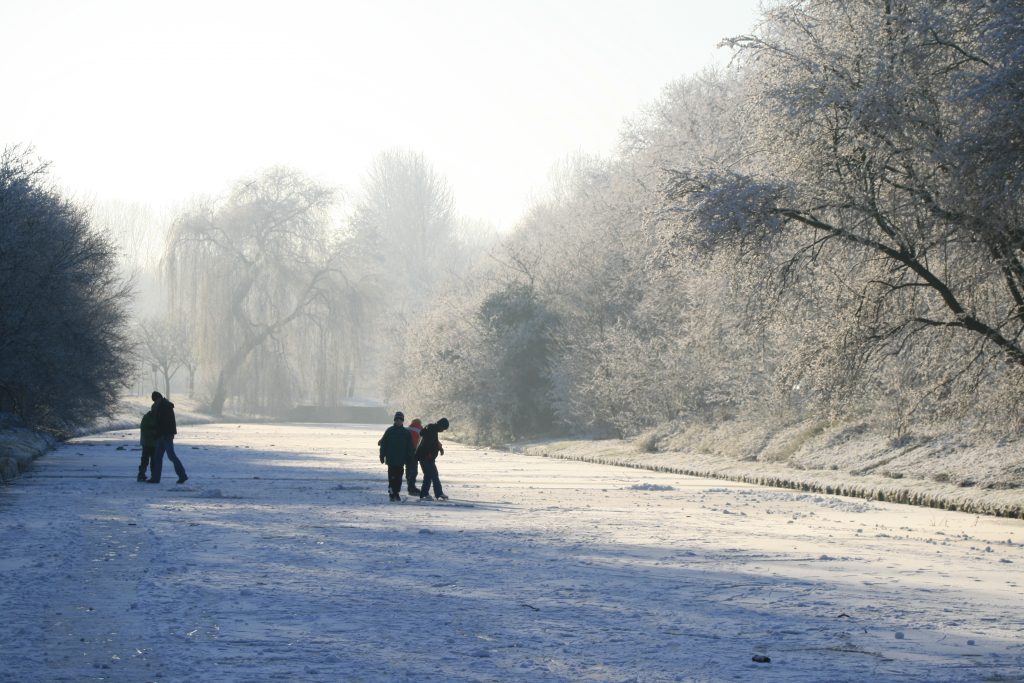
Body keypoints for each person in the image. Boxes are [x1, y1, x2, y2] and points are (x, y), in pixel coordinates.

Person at [148, 391, 188, 484]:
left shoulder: (165, 406)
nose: (155, 402)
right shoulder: (161, 406)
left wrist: (163, 433)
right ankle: (155, 478)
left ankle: (182, 475)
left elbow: (166, 422)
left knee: (171, 456)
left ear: (158, 399)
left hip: (166, 435)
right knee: (158, 457)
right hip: (162, 435)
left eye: (155, 400)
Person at [378, 411, 414, 502]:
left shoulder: (406, 432)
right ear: (395, 420)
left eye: (400, 420)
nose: (398, 421)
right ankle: (391, 493)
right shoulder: (390, 431)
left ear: (402, 421)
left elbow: (410, 447)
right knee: (392, 478)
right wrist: (382, 455)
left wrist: (410, 457)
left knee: (399, 478)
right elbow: (383, 444)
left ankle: (396, 492)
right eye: (397, 420)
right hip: (391, 460)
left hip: (401, 460)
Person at [416, 417, 449, 500]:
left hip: (426, 457)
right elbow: (427, 444)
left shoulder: (432, 429)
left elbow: (434, 442)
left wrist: (440, 448)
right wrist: (429, 454)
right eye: (443, 429)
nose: (443, 431)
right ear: (440, 425)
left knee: (432, 475)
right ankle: (426, 494)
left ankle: (436, 493)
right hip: (426, 457)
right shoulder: (431, 430)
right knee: (430, 475)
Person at [137, 408, 158, 482]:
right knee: (149, 460)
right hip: (149, 442)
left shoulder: (147, 417)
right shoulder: (149, 417)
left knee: (146, 459)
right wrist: (154, 432)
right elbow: (145, 429)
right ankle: (146, 474)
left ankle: (142, 474)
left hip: (149, 442)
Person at [405, 418, 424, 496]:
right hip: (414, 451)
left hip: (406, 451)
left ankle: (410, 486)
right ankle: (411, 487)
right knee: (414, 470)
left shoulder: (407, 429)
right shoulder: (420, 429)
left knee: (408, 469)